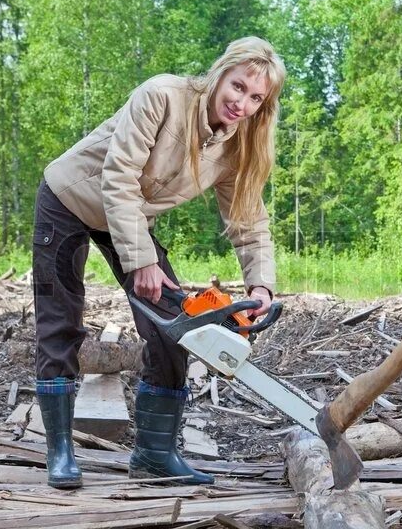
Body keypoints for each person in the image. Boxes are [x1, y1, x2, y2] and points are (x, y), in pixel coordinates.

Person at [32, 37, 285, 489]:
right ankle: (61, 453)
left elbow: (249, 220)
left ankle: (153, 454)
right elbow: (119, 175)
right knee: (61, 322)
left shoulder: (236, 145)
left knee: (175, 325)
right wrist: (141, 260)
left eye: (255, 97)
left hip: (127, 216)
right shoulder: (161, 96)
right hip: (70, 199)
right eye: (238, 86)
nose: (241, 102)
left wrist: (261, 287)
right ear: (220, 72)